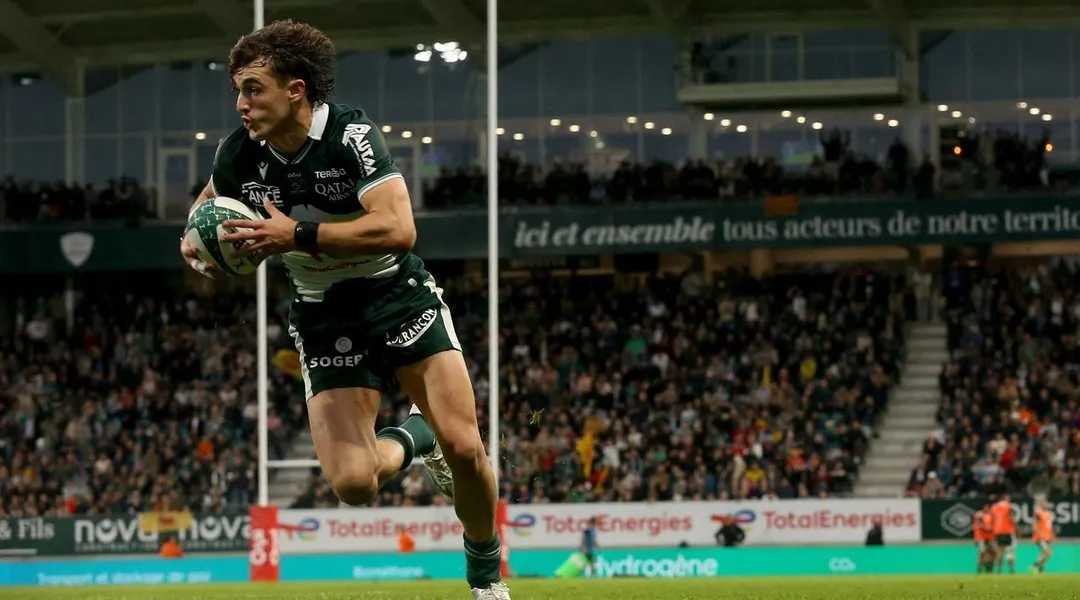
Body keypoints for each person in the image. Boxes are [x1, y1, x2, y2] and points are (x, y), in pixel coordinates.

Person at [178, 20, 508, 600]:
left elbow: (399, 229)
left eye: (254, 89)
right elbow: (210, 203)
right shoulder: (237, 154)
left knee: (466, 448)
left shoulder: (351, 134)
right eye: (238, 90)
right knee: (354, 484)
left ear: (295, 89)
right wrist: (194, 238)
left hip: (396, 295)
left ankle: (485, 578)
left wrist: (296, 235)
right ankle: (414, 437)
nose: (242, 103)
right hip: (323, 314)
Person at [990, 493, 1017, 574]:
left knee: (1000, 551)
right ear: (1005, 498)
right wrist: (1016, 528)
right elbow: (1011, 517)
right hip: (1007, 531)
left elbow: (992, 520)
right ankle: (1011, 569)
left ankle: (999, 569)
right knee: (1010, 550)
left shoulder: (994, 507)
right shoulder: (1008, 506)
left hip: (997, 531)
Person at [1032, 497, 1054, 574]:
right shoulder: (1038, 513)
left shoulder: (1048, 513)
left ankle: (1040, 569)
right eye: (1043, 503)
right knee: (1047, 553)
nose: (1045, 504)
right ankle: (1035, 565)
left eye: (1046, 503)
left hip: (1047, 536)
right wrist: (1039, 534)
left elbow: (1049, 526)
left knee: (1047, 554)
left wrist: (1052, 536)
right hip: (1041, 537)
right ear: (1040, 504)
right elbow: (1035, 525)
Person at [972, 501, 994, 573]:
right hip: (980, 537)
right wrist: (989, 529)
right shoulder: (979, 514)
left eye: (988, 507)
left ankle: (988, 569)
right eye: (986, 507)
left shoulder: (990, 516)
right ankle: (980, 569)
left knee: (990, 553)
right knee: (982, 553)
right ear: (983, 508)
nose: (987, 509)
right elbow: (981, 524)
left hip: (989, 538)